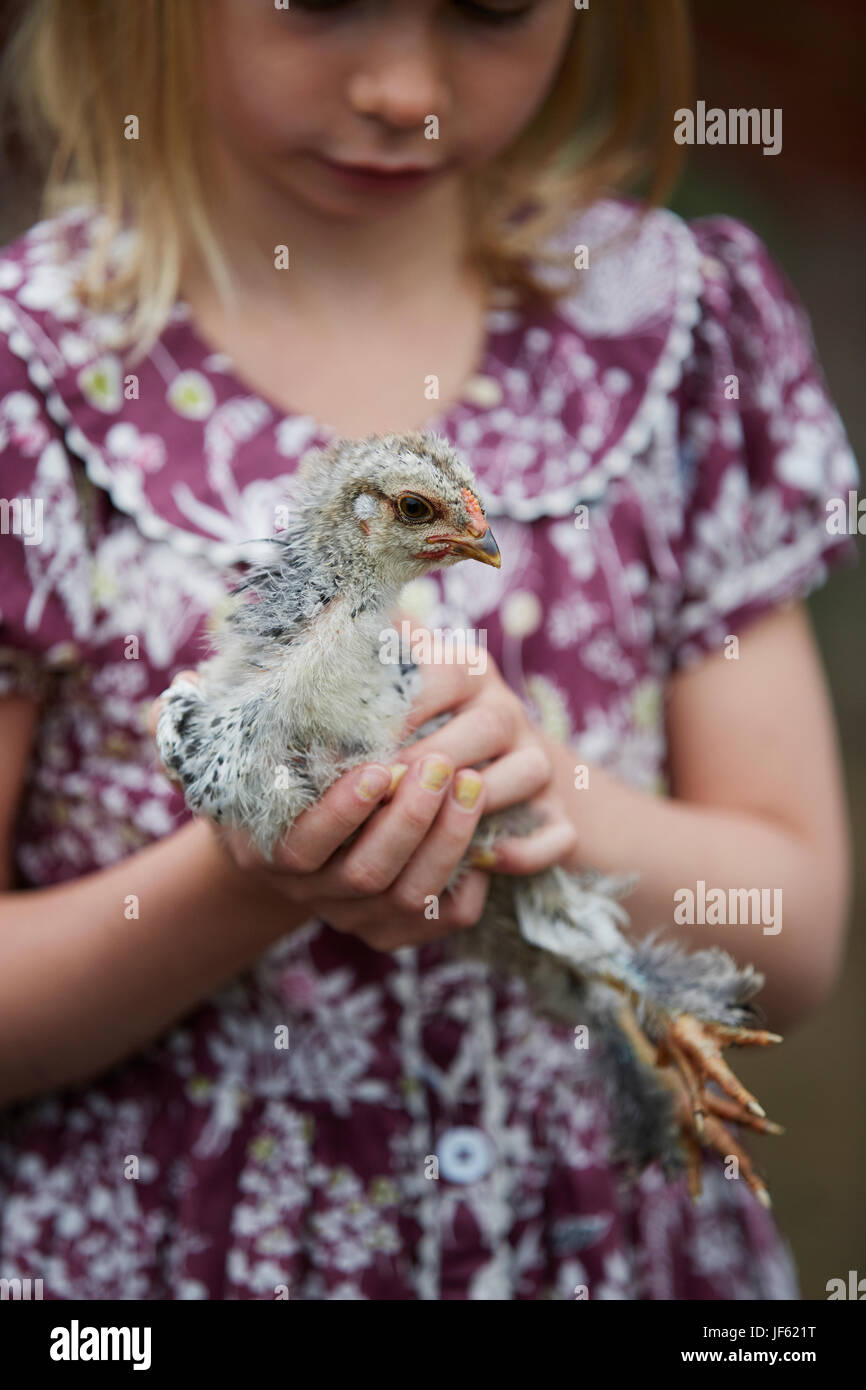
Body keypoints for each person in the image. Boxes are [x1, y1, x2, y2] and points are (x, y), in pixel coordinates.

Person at [0, 0, 857, 1300]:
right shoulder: (33, 375)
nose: (403, 87)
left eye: (494, 7)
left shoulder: (673, 336)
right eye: (324, 0)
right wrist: (249, 874)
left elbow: (786, 931)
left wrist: (532, 788)